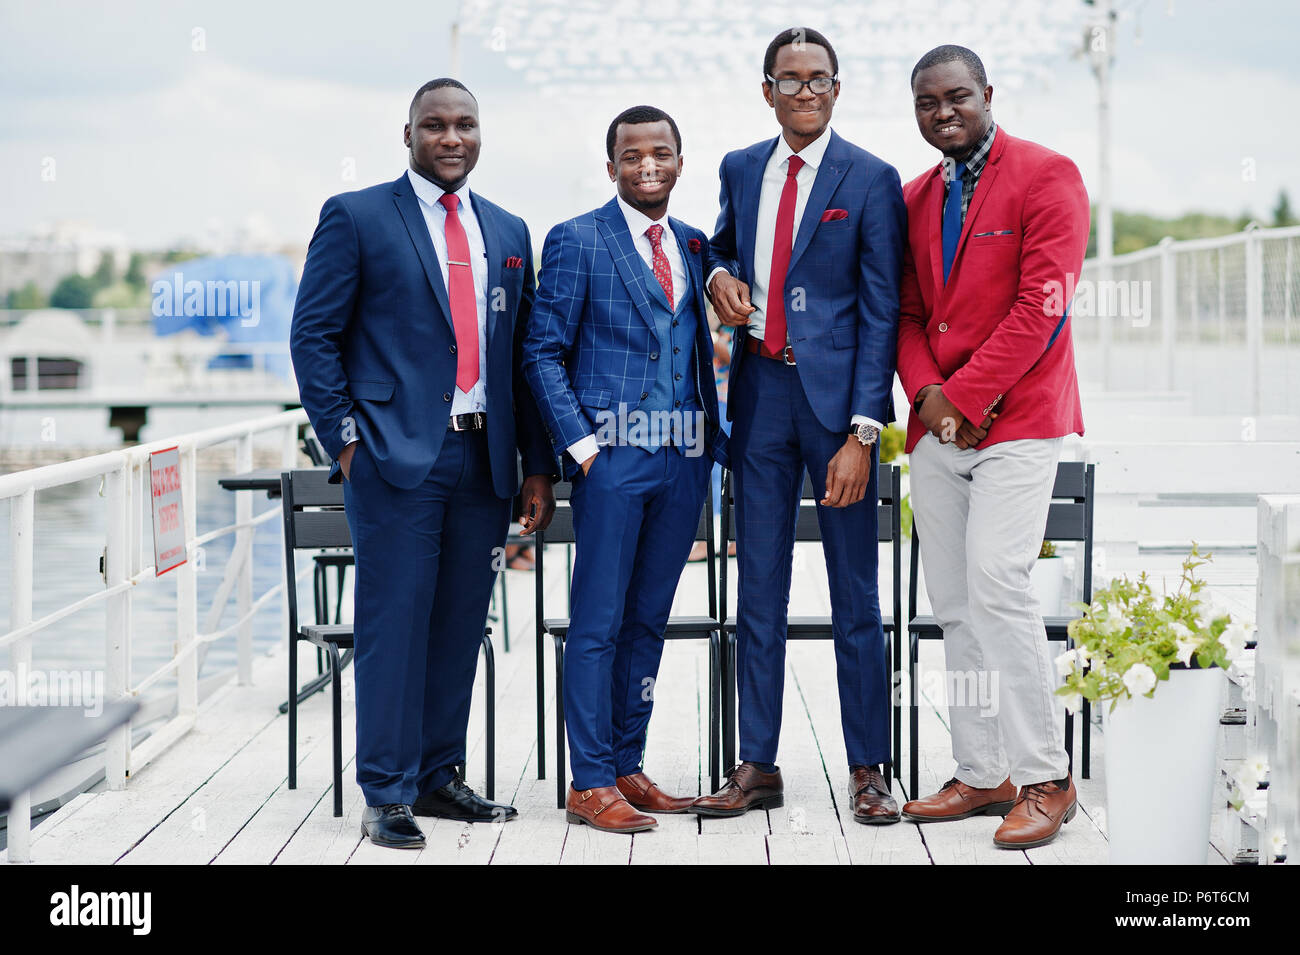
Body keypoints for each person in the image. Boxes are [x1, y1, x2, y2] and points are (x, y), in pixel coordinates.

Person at [290, 79, 556, 849]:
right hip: (393, 457)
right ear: (406, 133)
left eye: (465, 124)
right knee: (392, 624)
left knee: (458, 624)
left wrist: (535, 463)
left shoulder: (507, 230)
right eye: (434, 125)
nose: (451, 137)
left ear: (481, 133)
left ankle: (439, 776)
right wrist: (346, 442)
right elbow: (314, 338)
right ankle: (387, 790)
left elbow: (521, 358)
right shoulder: (358, 216)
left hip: (484, 456)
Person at [694, 27, 907, 825]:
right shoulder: (742, 168)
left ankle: (868, 767)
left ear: (838, 90)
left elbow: (883, 308)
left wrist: (863, 430)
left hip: (837, 413)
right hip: (759, 400)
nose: (806, 91)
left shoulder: (872, 179)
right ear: (768, 91)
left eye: (820, 79)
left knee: (856, 593)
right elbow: (715, 247)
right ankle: (757, 763)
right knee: (759, 592)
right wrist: (716, 275)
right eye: (791, 80)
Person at [895, 45, 1089, 849]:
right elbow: (905, 315)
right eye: (927, 102)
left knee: (1000, 582)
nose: (944, 112)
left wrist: (964, 398)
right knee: (954, 603)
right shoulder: (911, 197)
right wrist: (931, 402)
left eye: (958, 97)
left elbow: (1041, 307)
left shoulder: (1047, 174)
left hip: (1019, 420)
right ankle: (981, 773)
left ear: (987, 95)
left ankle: (1047, 775)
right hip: (939, 424)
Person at [523, 105, 728, 833]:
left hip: (683, 460)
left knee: (647, 621)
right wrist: (580, 449)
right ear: (611, 167)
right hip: (610, 460)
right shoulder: (577, 240)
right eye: (632, 155)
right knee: (598, 623)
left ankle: (626, 762)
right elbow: (541, 351)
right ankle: (589, 779)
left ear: (680, 160)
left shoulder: (696, 244)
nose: (648, 165)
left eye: (661, 153)